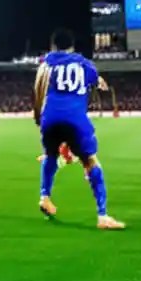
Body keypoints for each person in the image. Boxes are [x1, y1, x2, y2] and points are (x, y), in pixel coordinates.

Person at [35, 28, 125, 229]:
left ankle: (44, 196)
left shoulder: (45, 63)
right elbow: (98, 82)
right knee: (91, 161)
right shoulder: (85, 64)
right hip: (74, 118)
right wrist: (99, 83)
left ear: (53, 46)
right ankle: (102, 215)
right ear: (72, 46)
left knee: (50, 156)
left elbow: (38, 91)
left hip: (49, 117)